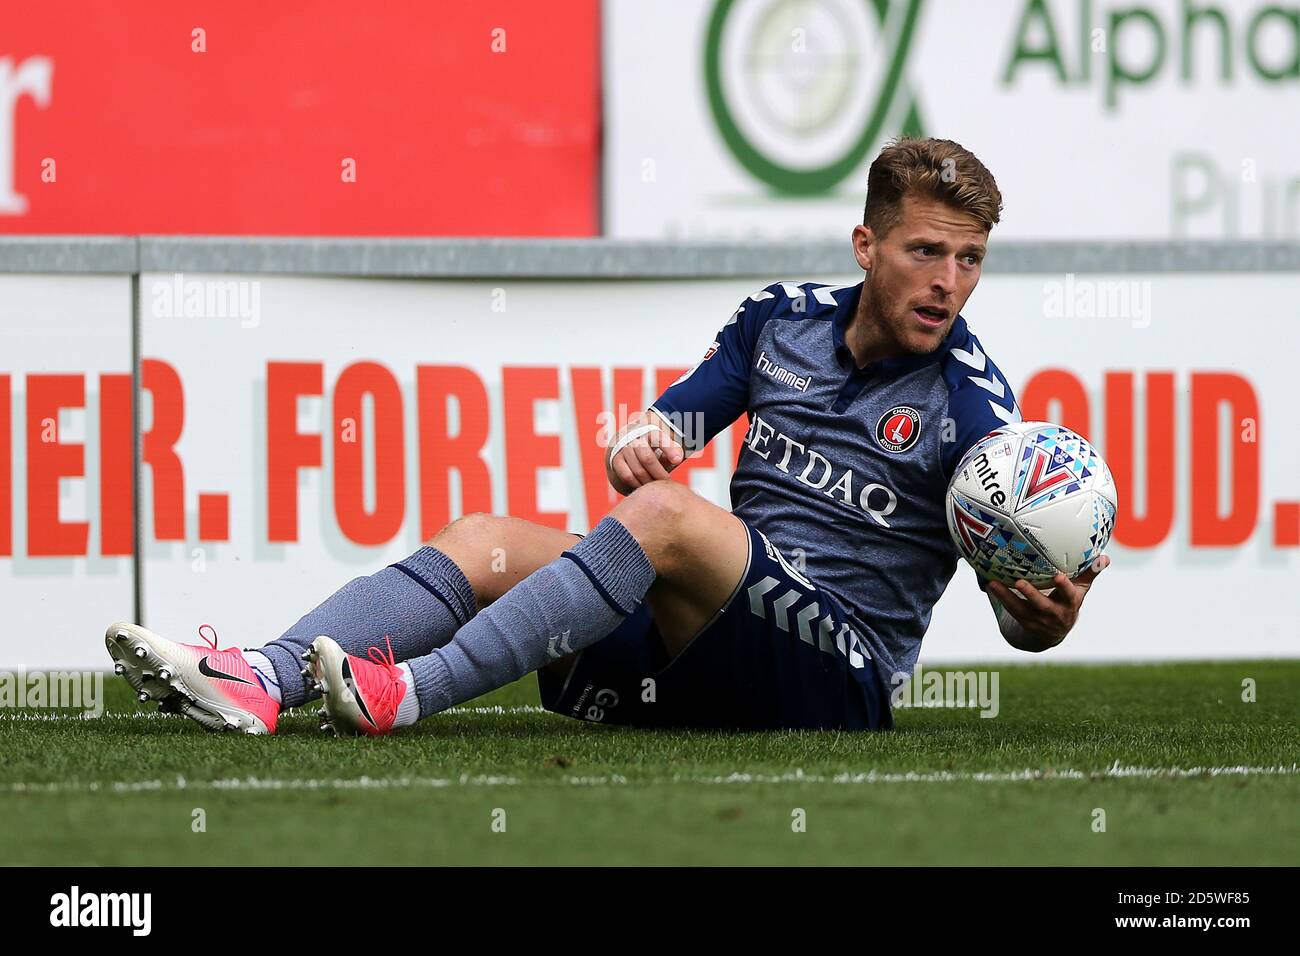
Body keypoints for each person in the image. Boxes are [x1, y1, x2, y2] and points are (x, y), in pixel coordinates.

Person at [104, 137, 1108, 737]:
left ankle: (405, 696)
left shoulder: (977, 413)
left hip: (837, 678)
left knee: (664, 518)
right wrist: (640, 439)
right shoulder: (780, 319)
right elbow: (671, 424)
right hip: (704, 651)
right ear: (865, 244)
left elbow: (1015, 602)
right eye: (924, 250)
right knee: (489, 530)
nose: (947, 280)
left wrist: (1041, 619)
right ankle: (263, 678)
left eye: (968, 258)